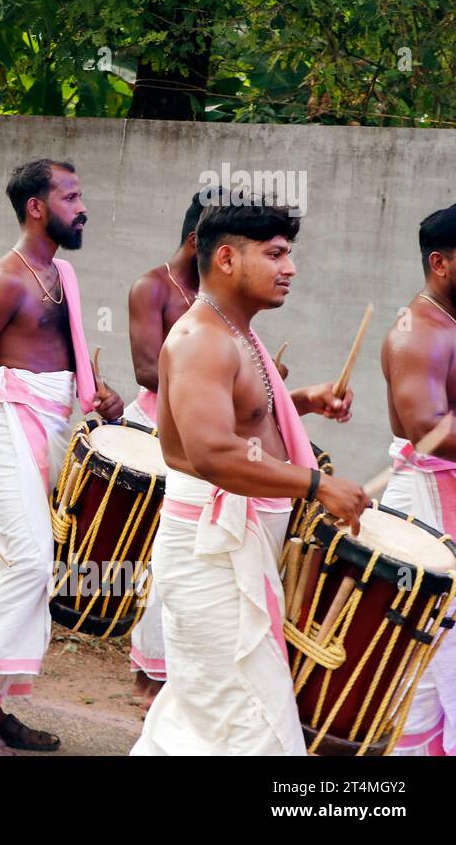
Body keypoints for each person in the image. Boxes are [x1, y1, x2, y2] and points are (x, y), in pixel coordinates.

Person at [132, 199, 367, 756]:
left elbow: (242, 417)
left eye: (290, 254)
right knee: (247, 722)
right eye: (276, 253)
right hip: (211, 554)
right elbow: (212, 450)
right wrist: (316, 485)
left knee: (206, 714)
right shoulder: (202, 339)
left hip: (234, 545)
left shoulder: (233, 330)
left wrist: (301, 401)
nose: (290, 268)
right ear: (229, 259)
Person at [0, 159, 122, 755]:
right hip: (6, 424)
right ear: (37, 207)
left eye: (80, 193)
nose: (81, 205)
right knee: (33, 562)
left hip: (54, 423)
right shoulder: (3, 281)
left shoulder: (60, 272)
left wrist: (100, 389)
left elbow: (62, 358)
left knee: (18, 562)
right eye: (70, 196)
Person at [123, 189, 206, 703]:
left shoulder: (216, 294)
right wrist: (218, 380)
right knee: (160, 557)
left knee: (186, 559)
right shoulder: (151, 287)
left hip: (199, 435)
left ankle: (172, 672)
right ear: (199, 239)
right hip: (155, 434)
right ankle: (149, 673)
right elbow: (146, 369)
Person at [379, 204, 456, 756]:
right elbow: (424, 428)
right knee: (428, 658)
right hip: (429, 505)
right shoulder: (418, 330)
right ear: (441, 263)